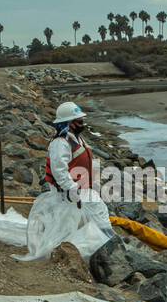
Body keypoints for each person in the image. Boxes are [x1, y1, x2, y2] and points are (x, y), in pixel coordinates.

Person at [15, 101, 112, 262]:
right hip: (69, 195)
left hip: (84, 191)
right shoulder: (60, 143)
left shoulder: (77, 139)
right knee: (68, 227)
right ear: (68, 123)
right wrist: (72, 189)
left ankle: (103, 248)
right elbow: (59, 170)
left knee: (97, 217)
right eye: (79, 121)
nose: (82, 124)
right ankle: (78, 254)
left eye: (82, 120)